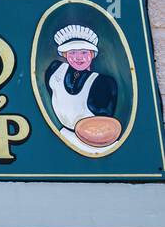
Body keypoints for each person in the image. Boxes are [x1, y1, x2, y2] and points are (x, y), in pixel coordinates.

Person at [44, 24, 118, 155]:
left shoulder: (103, 83)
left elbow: (105, 123)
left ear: (92, 54)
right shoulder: (54, 71)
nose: (78, 57)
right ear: (65, 54)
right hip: (63, 138)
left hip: (96, 148)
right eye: (72, 52)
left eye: (84, 52)